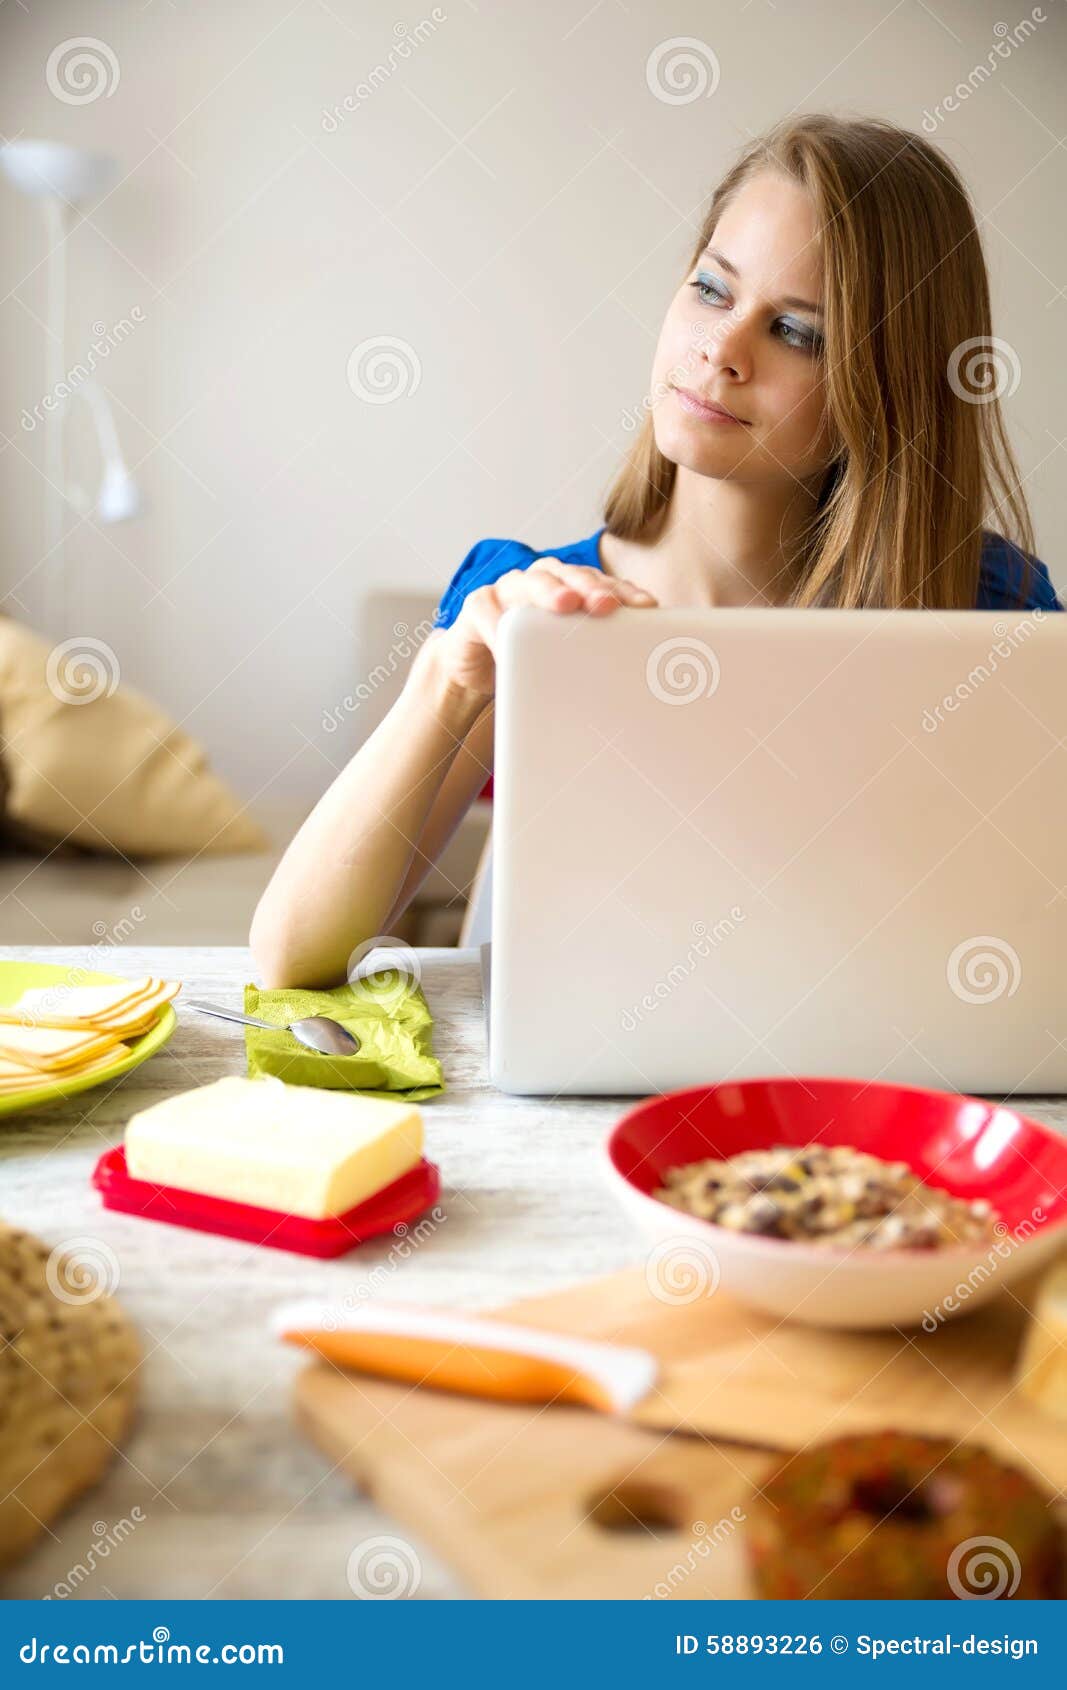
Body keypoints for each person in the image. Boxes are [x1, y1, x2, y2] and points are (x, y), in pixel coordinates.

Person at [250, 112, 1061, 990]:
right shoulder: (526, 601)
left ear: (888, 386)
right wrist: (449, 682)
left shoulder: (987, 606)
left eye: (796, 333)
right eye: (712, 290)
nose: (720, 350)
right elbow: (294, 958)